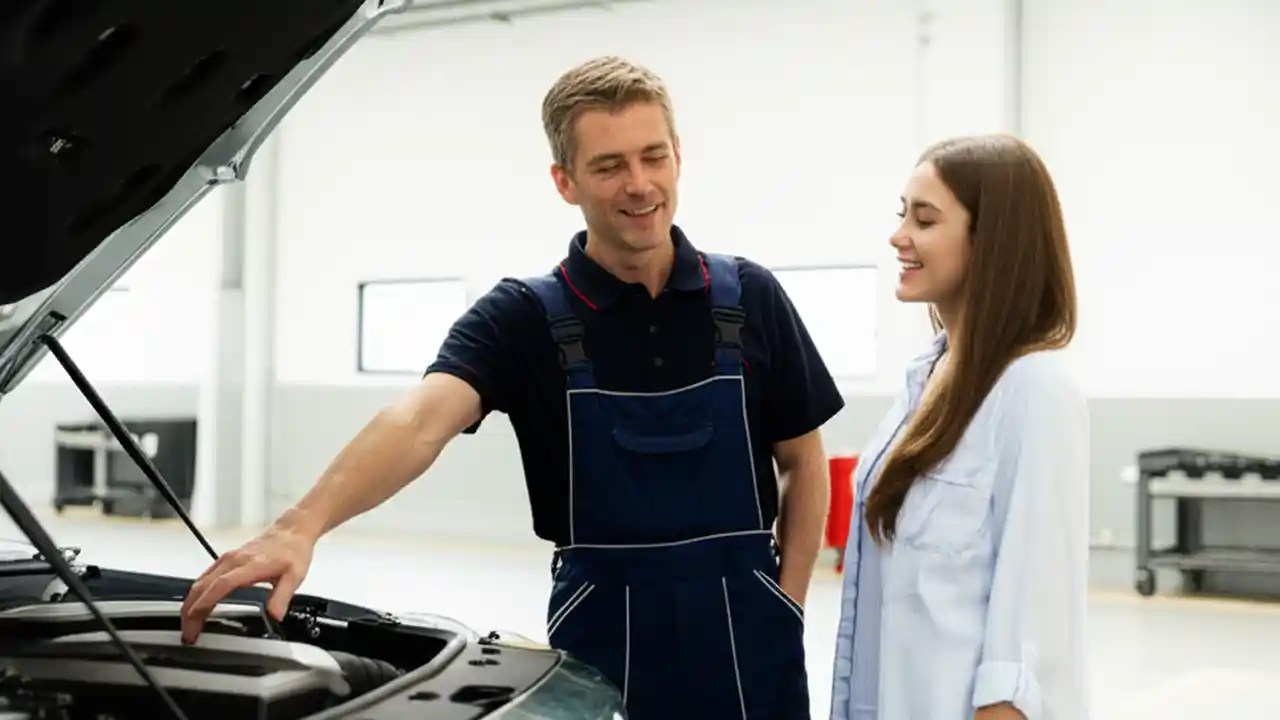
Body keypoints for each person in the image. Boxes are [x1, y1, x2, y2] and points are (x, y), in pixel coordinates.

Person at [180, 55, 844, 719]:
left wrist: (785, 601)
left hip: (750, 628)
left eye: (654, 156)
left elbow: (804, 461)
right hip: (606, 632)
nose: (640, 185)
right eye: (609, 166)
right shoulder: (523, 317)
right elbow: (418, 421)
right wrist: (302, 526)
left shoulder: (749, 295)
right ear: (565, 181)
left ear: (678, 157)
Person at [829, 134, 1090, 720]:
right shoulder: (926, 382)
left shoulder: (1034, 391)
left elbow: (1030, 633)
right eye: (903, 215)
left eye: (925, 220)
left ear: (992, 242)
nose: (900, 236)